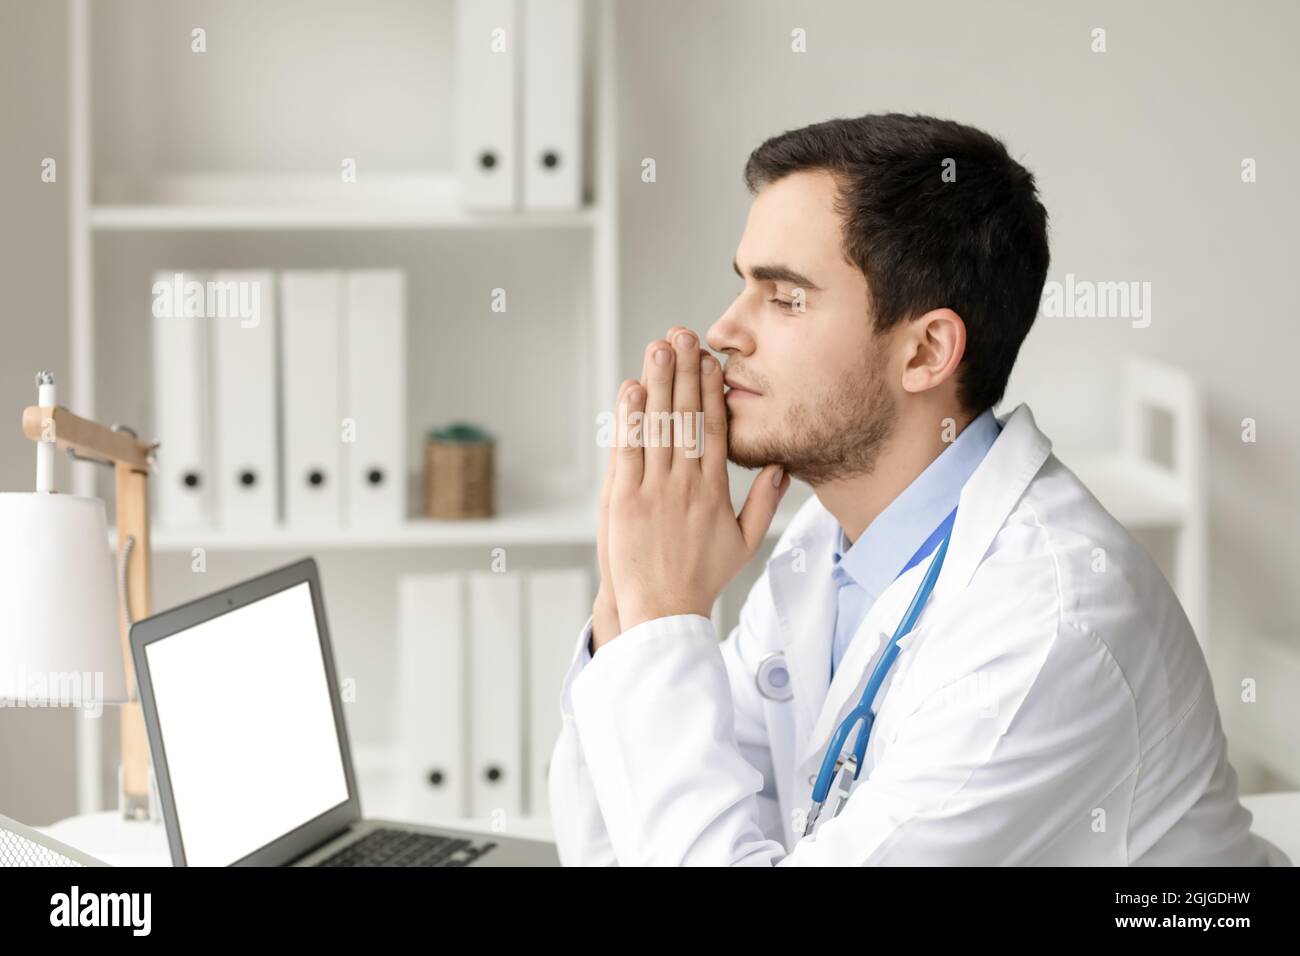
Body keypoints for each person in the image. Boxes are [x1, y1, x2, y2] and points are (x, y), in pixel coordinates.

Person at [548, 113, 1287, 866]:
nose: (725, 330)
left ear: (927, 351)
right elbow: (614, 844)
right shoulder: (828, 545)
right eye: (743, 284)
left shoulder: (1049, 629)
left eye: (786, 296)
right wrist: (629, 599)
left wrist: (662, 619)